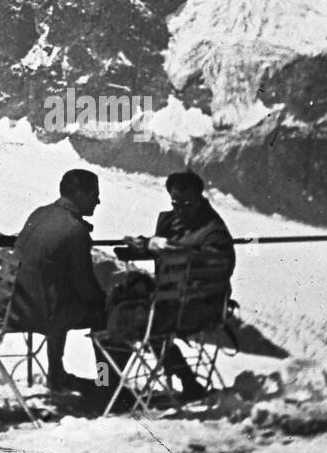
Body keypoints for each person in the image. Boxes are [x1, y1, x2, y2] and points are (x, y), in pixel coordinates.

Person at [101, 170, 236, 403]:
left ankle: (107, 388)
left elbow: (209, 263)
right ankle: (187, 381)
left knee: (111, 320)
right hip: (177, 306)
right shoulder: (178, 221)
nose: (180, 209)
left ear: (200, 197)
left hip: (191, 308)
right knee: (132, 307)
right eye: (176, 203)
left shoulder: (213, 232)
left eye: (186, 203)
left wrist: (167, 249)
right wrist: (145, 245)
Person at [6, 169, 108, 392]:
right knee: (105, 317)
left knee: (60, 300)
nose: (98, 201)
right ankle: (106, 383)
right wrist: (105, 300)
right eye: (94, 195)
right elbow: (85, 284)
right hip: (41, 314)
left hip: (15, 306)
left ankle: (57, 373)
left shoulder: (39, 213)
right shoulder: (75, 230)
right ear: (80, 195)